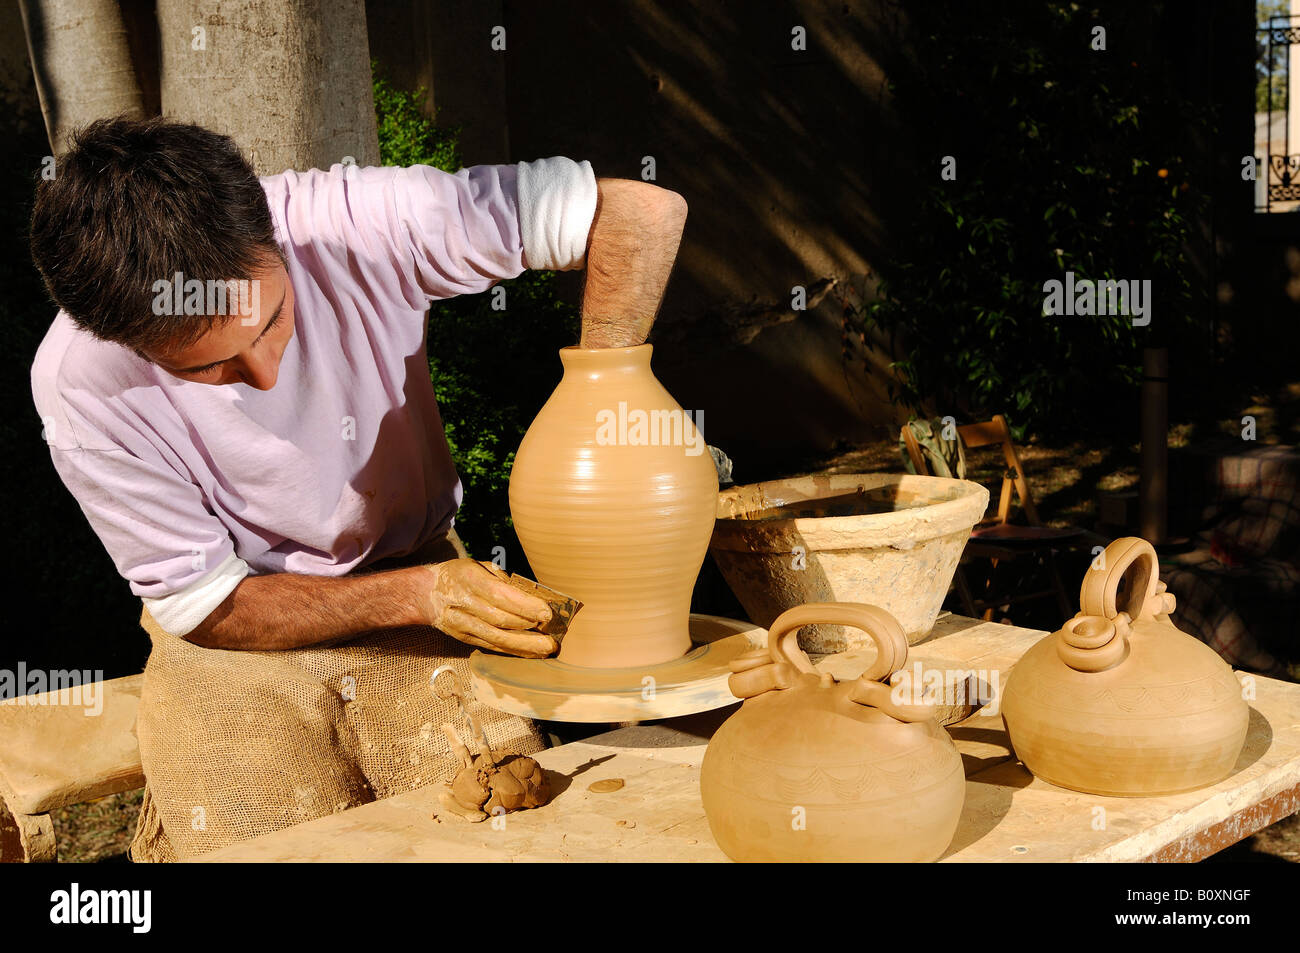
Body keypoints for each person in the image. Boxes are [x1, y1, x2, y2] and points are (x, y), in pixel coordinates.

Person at [28, 116, 688, 860]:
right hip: (235, 631)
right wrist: (422, 595)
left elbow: (636, 212)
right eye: (207, 369)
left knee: (497, 827)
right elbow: (204, 604)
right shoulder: (78, 384)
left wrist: (606, 386)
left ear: (272, 234)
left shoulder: (351, 223)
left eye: (273, 320)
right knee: (257, 845)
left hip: (412, 562)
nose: (266, 375)